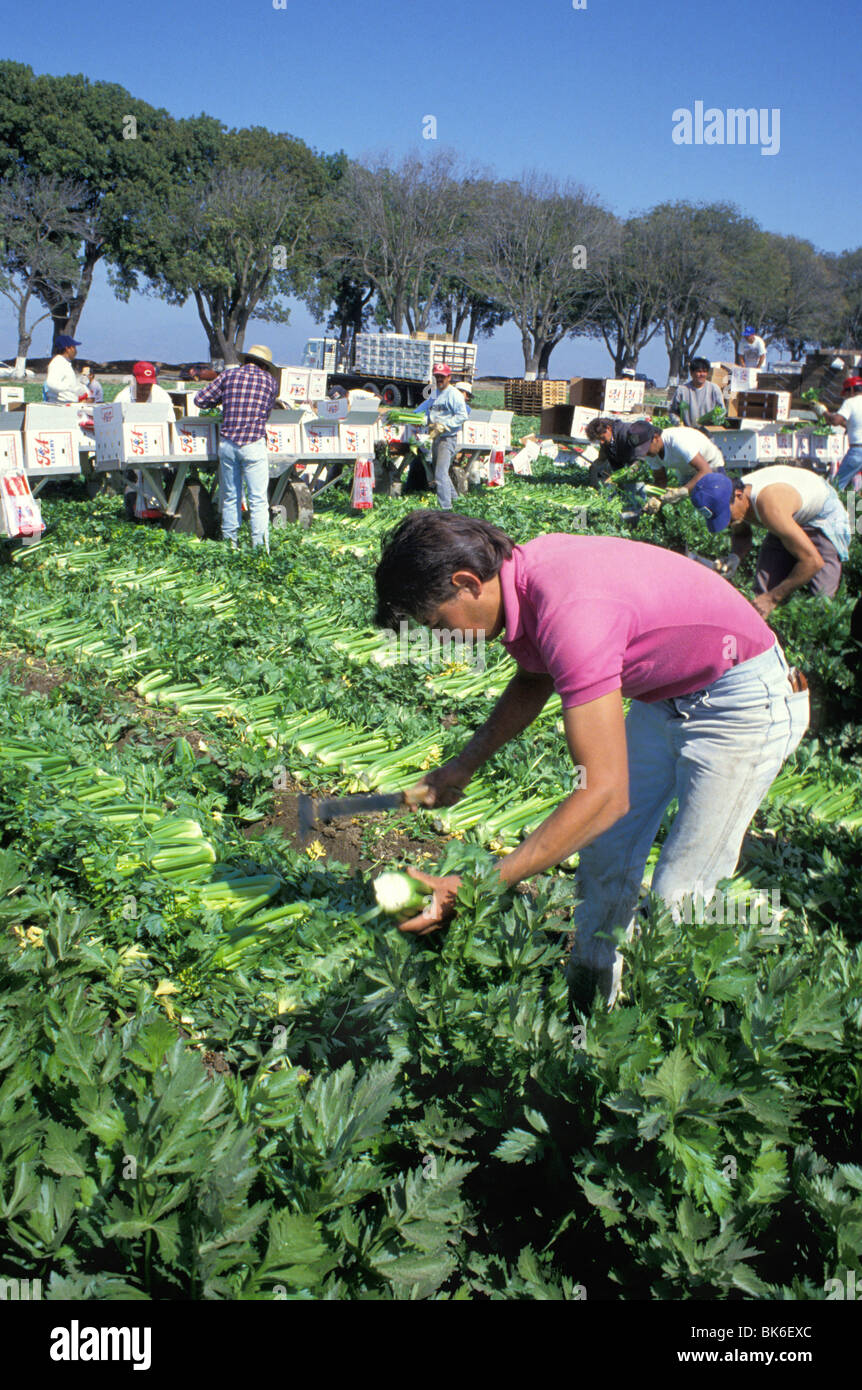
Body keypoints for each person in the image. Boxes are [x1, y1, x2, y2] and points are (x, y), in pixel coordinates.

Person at [373, 512, 809, 1007]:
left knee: (679, 894)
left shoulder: (571, 609)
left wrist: (473, 887)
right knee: (603, 853)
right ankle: (592, 1000)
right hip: (666, 696)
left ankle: (662, 1033)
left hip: (743, 703)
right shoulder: (522, 579)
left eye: (437, 624)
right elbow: (536, 676)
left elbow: (604, 794)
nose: (442, 639)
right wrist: (465, 764)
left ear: (467, 583)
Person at [690, 465, 851, 616]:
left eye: (726, 515)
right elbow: (742, 534)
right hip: (786, 518)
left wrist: (772, 598)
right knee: (760, 593)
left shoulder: (770, 507)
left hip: (821, 517)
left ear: (738, 495)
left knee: (821, 604)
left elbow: (813, 562)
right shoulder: (733, 499)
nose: (727, 522)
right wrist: (735, 557)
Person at [194, 344, 278, 550]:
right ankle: (259, 547)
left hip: (229, 444)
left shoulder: (229, 376)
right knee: (258, 499)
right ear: (265, 365)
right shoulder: (270, 382)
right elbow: (266, 413)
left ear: (245, 360)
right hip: (254, 443)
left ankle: (231, 544)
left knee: (231, 496)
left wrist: (222, 400)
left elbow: (200, 400)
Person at [114, 362, 176, 519]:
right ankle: (135, 511)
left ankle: (159, 509)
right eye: (142, 384)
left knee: (165, 475)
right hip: (130, 446)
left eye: (149, 385)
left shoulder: (161, 396)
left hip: (157, 445)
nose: (145, 389)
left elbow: (170, 425)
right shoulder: (122, 398)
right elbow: (115, 428)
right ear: (134, 380)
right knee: (133, 477)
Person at [413, 363, 469, 510]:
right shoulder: (435, 394)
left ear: (449, 377)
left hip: (447, 438)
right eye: (437, 377)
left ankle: (446, 509)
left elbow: (463, 415)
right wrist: (415, 419)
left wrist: (445, 425)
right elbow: (424, 410)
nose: (439, 379)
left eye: (442, 377)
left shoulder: (454, 394)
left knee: (439, 474)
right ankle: (457, 502)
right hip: (436, 437)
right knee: (442, 473)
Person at [816, 376, 862, 491]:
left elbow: (835, 421)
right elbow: (853, 425)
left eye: (846, 393)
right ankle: (852, 508)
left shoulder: (850, 402)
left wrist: (823, 412)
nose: (845, 396)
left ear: (851, 390)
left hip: (858, 451)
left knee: (837, 486)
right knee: (853, 485)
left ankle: (836, 509)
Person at [583, 417, 655, 489]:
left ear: (608, 428)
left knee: (634, 490)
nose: (601, 442)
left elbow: (639, 460)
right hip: (628, 468)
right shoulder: (608, 442)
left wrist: (622, 475)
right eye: (599, 440)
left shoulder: (628, 432)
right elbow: (611, 461)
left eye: (602, 438)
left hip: (642, 464)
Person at [669, 358, 726, 428]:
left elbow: (722, 410)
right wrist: (679, 424)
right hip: (688, 432)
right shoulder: (682, 390)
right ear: (691, 373)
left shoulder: (714, 389)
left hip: (708, 433)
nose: (701, 374)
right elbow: (672, 412)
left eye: (704, 372)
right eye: (698, 371)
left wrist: (715, 421)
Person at [44, 334, 81, 402]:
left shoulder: (65, 363)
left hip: (67, 404)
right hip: (60, 404)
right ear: (67, 348)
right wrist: (70, 388)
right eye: (74, 347)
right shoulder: (58, 363)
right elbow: (51, 383)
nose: (76, 351)